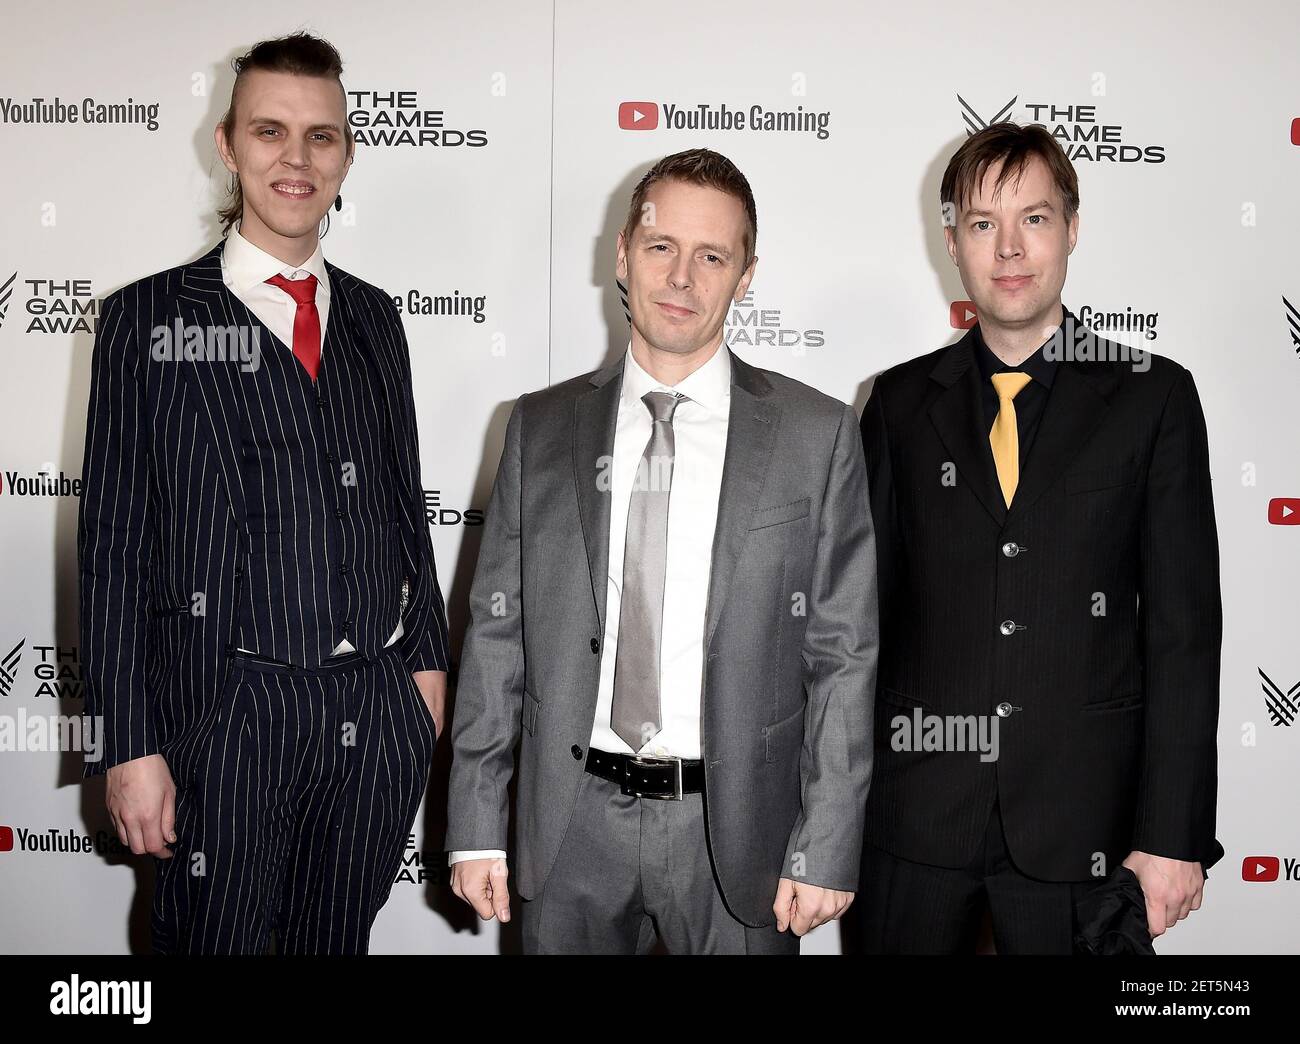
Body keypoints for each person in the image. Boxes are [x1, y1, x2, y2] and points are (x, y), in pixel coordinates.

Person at [446, 148, 877, 954]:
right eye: (660, 247)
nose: (682, 276)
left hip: (736, 837)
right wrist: (475, 822)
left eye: (712, 255)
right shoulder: (538, 430)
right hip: (570, 830)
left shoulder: (816, 438)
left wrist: (827, 840)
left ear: (745, 276)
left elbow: (844, 655)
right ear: (622, 255)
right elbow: (497, 636)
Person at [78, 32, 449, 954]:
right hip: (226, 714)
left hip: (374, 710)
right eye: (271, 131)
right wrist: (128, 747)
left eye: (321, 137)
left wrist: (427, 676)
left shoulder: (375, 319)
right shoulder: (149, 321)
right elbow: (115, 545)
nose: (297, 158)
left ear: (349, 152)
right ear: (228, 145)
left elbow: (406, 505)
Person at [855, 122, 1223, 953]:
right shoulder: (898, 405)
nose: (1010, 248)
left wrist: (1173, 833)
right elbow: (859, 626)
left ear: (1073, 229)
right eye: (983, 224)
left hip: (1086, 824)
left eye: (1036, 218)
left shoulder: (1153, 399)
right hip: (913, 823)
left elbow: (1183, 635)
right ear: (952, 242)